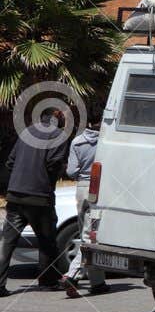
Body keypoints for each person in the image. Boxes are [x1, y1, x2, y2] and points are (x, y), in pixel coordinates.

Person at [0, 109, 72, 296]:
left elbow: (10, 162)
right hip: (39, 197)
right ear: (59, 120)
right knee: (47, 241)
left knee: (8, 242)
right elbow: (53, 164)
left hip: (15, 194)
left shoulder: (27, 133)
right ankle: (47, 281)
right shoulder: (58, 136)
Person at [61, 113, 106, 298]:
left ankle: (98, 282)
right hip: (100, 188)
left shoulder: (77, 142)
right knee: (91, 237)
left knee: (86, 234)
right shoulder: (106, 141)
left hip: (81, 189)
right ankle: (72, 275)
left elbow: (71, 171)